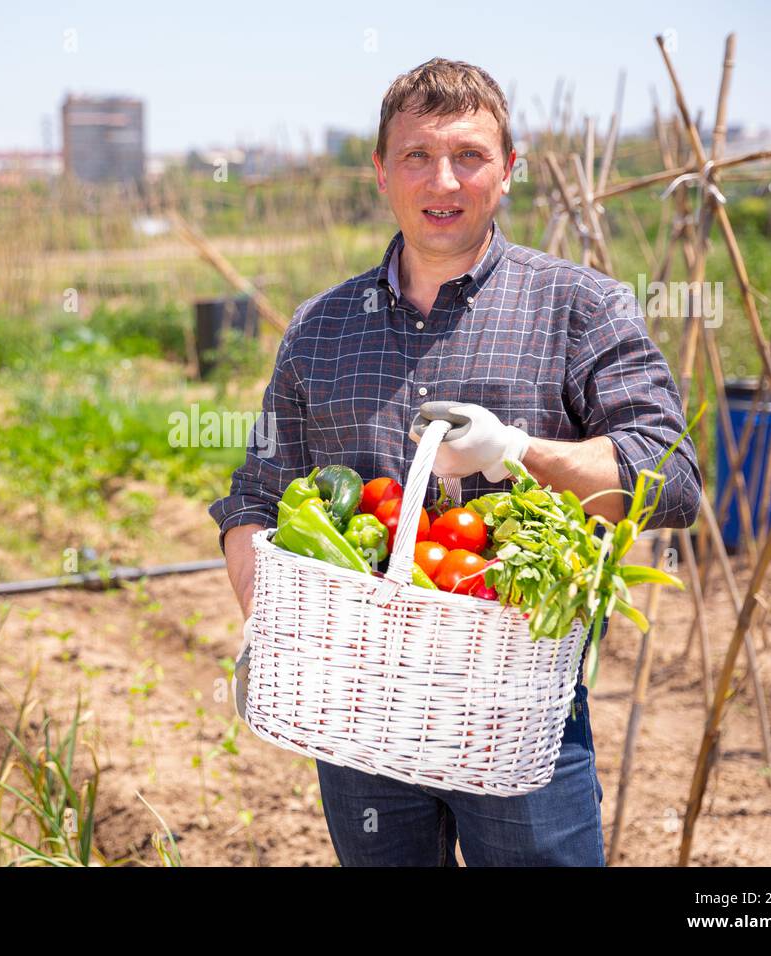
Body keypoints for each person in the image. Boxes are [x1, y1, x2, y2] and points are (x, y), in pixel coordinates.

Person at [208, 58, 703, 866]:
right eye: (417, 155)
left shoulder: (580, 307)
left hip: (514, 708)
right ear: (380, 172)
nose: (444, 180)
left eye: (470, 155)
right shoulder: (320, 328)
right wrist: (274, 623)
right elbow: (256, 494)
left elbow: (668, 479)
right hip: (358, 710)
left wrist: (515, 451)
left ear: (508, 171)